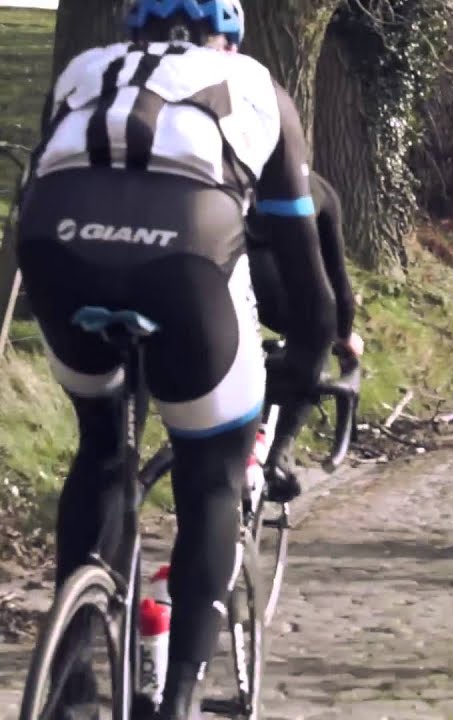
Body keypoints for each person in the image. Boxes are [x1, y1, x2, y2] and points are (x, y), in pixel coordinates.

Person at [15, 1, 335, 717]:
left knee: (101, 450)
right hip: (184, 261)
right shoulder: (258, 86)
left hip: (57, 250)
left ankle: (69, 685)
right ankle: (182, 695)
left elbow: (41, 182)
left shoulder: (83, 72)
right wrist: (307, 364)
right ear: (230, 38)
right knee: (213, 476)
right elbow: (306, 275)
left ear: (134, 32)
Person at [246, 169, 363, 502]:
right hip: (287, 289)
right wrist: (344, 335)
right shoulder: (317, 187)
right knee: (314, 346)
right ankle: (280, 453)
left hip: (225, 278)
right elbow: (339, 282)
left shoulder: (220, 165)